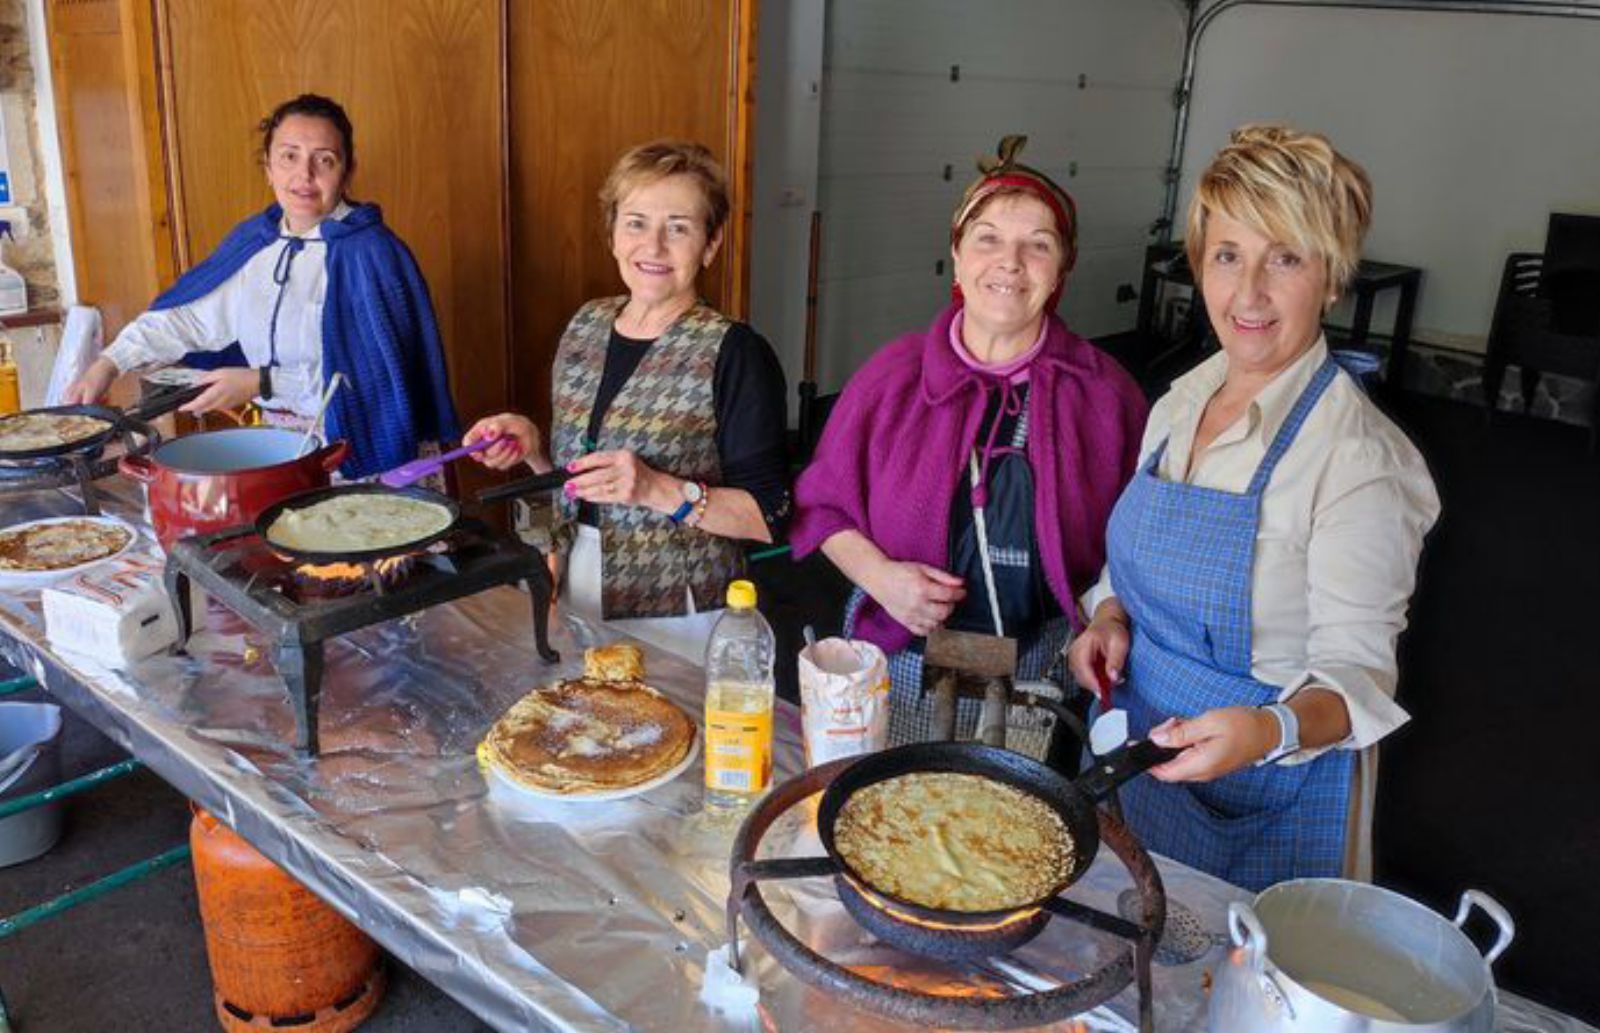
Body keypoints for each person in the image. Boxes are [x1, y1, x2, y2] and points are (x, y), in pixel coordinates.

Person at [1067, 124, 1440, 890]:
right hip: (1135, 750)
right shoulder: (1178, 401)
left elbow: (1358, 678)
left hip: (1263, 788)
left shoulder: (1358, 458)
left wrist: (1266, 730)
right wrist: (1108, 617)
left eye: (1287, 259)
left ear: (1333, 277)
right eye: (1229, 254)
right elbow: (1128, 564)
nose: (1249, 293)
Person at [789, 136, 1148, 750]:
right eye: (987, 239)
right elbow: (821, 507)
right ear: (956, 257)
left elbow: (1141, 538)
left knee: (1010, 828)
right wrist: (881, 578)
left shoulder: (1105, 394)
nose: (1010, 262)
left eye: (1038, 245)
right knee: (890, 818)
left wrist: (1109, 613)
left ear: (1062, 269)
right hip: (899, 655)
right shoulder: (892, 376)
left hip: (1041, 664)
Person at [466, 141, 789, 662]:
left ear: (711, 243)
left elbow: (768, 516)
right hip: (577, 585)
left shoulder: (736, 352)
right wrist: (532, 452)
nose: (654, 247)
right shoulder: (585, 326)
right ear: (613, 233)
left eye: (679, 227)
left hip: (682, 615)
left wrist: (659, 489)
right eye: (636, 222)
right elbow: (577, 488)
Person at [65, 94, 458, 479]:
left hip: (364, 457)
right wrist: (108, 364)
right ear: (268, 167)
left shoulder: (374, 254)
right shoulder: (256, 243)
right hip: (280, 450)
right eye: (289, 156)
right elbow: (185, 319)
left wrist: (262, 381)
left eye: (324, 160)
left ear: (347, 171)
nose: (304, 175)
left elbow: (376, 382)